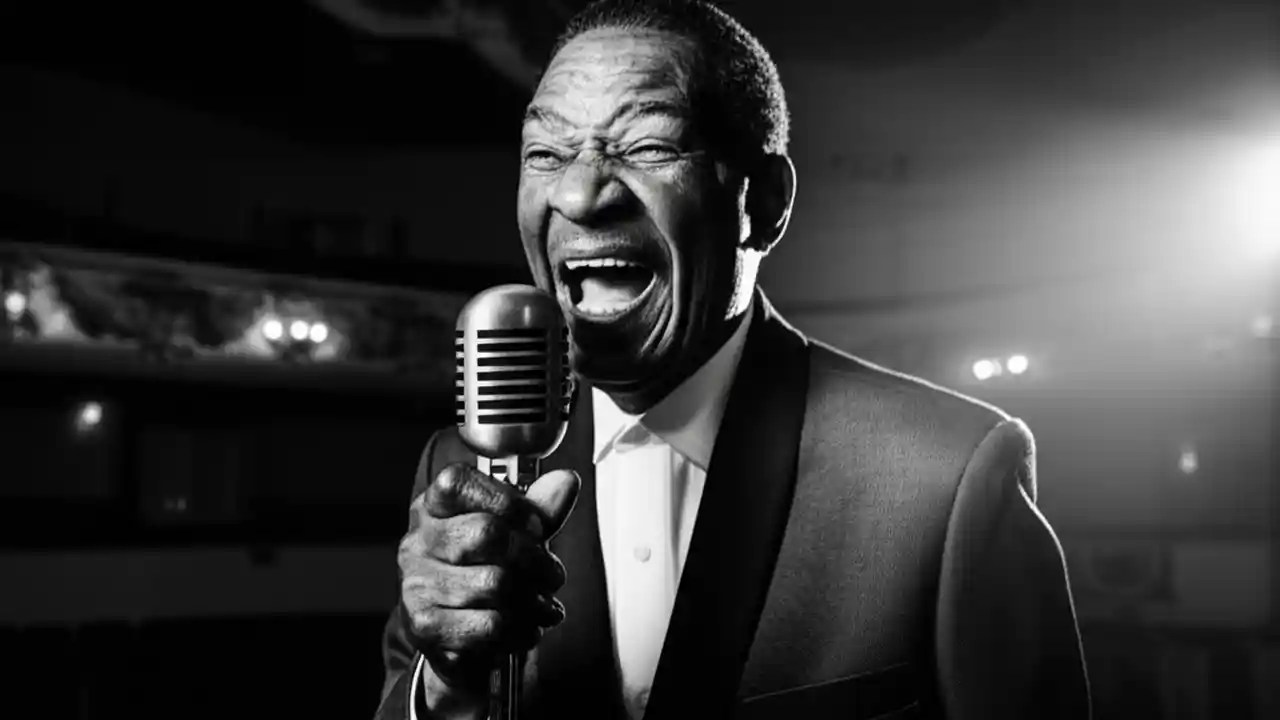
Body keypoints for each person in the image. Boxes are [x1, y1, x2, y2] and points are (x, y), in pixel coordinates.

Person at [376, 1, 1092, 718]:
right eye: (545, 155)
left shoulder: (948, 475)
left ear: (765, 203)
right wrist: (447, 688)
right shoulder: (463, 470)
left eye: (648, 147)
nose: (579, 194)